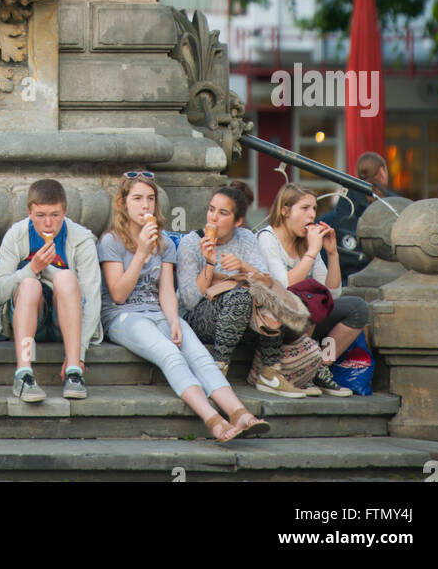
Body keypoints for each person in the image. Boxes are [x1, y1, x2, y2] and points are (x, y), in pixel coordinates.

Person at [99, 171, 269, 441]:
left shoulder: (164, 243)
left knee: (199, 354)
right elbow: (119, 294)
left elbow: (166, 290)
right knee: (171, 354)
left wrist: (175, 320)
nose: (145, 206)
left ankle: (240, 413)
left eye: (151, 199)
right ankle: (214, 421)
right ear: (122, 203)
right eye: (137, 199)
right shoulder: (111, 241)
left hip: (159, 312)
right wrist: (141, 252)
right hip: (123, 317)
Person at [176, 180, 305, 398]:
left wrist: (243, 266)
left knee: (269, 298)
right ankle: (218, 368)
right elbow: (188, 301)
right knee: (242, 297)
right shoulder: (191, 242)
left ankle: (269, 372)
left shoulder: (245, 238)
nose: (213, 218)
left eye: (223, 213)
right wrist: (209, 263)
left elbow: (266, 281)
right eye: (211, 209)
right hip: (199, 318)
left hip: (242, 320)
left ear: (238, 221)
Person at [0, 177, 101, 403]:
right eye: (41, 215)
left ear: (65, 212)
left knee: (66, 278)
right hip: (29, 322)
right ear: (30, 212)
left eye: (55, 215)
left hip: (67, 325)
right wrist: (30, 269)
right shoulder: (16, 235)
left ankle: (73, 372)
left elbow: (92, 298)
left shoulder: (81, 239)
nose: (48, 223)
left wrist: (78, 354)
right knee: (29, 285)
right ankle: (24, 372)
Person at [257, 184, 370, 395]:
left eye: (315, 209)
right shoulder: (267, 238)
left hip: (306, 317)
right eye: (305, 208)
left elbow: (332, 294)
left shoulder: (306, 243)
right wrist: (312, 251)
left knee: (357, 308)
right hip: (277, 319)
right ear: (285, 210)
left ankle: (318, 368)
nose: (312, 215)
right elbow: (282, 286)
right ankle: (300, 371)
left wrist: (332, 253)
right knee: (301, 304)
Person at [320, 152, 388, 283]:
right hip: (381, 279)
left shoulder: (344, 204)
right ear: (382, 172)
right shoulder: (393, 204)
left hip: (342, 279)